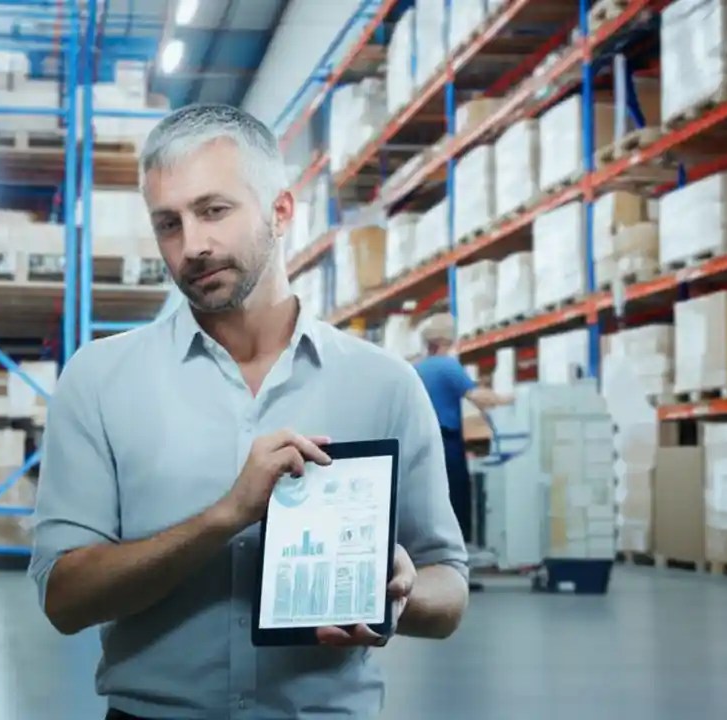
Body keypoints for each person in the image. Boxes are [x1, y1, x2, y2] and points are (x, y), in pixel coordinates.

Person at [29, 103, 470, 719]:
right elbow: (64, 599)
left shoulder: (385, 384)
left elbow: (448, 588)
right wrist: (226, 516)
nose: (192, 246)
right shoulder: (99, 380)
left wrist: (398, 594)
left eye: (214, 210)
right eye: (168, 224)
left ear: (280, 212)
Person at [413, 314, 513, 589]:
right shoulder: (447, 366)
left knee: (431, 505)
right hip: (446, 442)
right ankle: (456, 572)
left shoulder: (417, 368)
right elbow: (477, 396)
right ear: (447, 340)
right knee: (456, 503)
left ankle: (432, 568)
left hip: (422, 443)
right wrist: (511, 399)